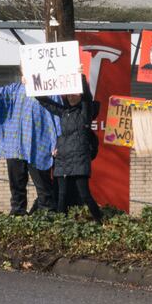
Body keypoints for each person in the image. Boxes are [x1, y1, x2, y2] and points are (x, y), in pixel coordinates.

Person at [0, 62, 60, 214]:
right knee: (17, 188)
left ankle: (47, 216)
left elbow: (58, 117)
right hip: (15, 147)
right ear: (22, 70)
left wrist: (58, 142)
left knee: (44, 186)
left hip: (39, 146)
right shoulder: (14, 90)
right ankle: (18, 215)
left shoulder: (51, 91)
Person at [37, 71, 101, 221]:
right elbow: (46, 102)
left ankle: (100, 221)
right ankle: (61, 225)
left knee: (85, 195)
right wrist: (32, 87)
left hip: (79, 160)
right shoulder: (64, 112)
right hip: (63, 160)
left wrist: (81, 77)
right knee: (61, 196)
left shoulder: (85, 112)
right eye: (69, 94)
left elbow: (87, 97)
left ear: (79, 94)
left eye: (74, 93)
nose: (71, 96)